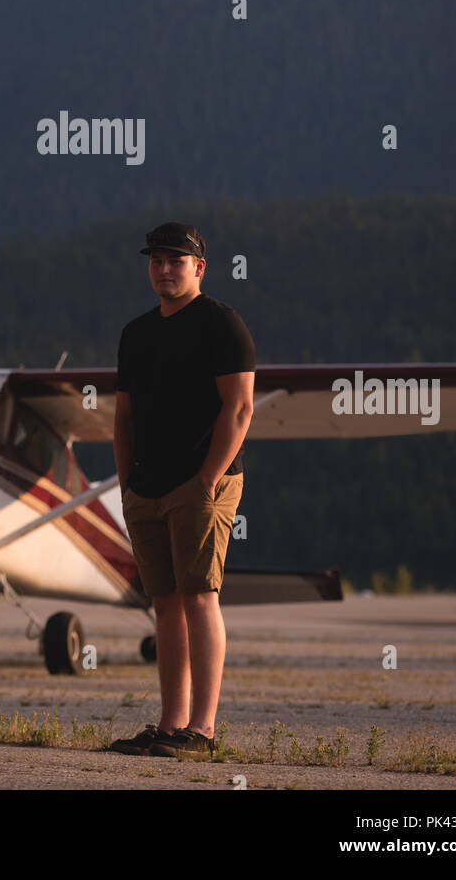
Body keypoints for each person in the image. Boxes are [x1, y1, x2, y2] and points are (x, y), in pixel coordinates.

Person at [109, 222, 255, 760]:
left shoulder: (222, 323)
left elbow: (240, 408)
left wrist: (208, 478)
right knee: (164, 604)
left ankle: (204, 729)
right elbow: (123, 417)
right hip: (145, 487)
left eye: (176, 260)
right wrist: (127, 485)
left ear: (199, 268)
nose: (165, 268)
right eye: (156, 260)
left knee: (199, 597)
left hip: (200, 483)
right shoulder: (136, 333)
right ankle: (170, 726)